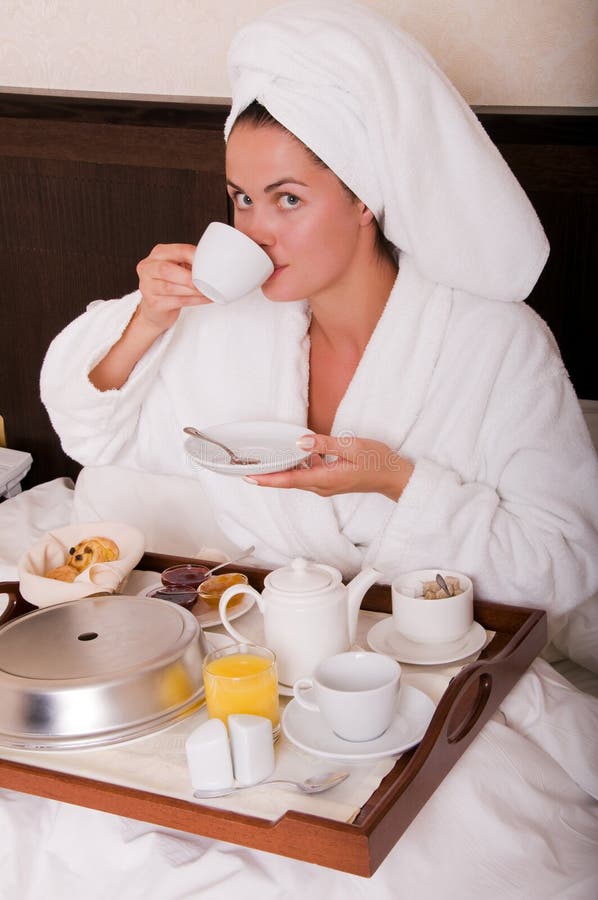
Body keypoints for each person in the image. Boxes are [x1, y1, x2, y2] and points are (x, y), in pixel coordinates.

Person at [19, 1, 598, 896]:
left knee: (448, 862)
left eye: (288, 199)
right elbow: (91, 428)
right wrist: (146, 320)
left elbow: (564, 571)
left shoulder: (495, 343)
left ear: (366, 194)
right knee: (64, 828)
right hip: (259, 657)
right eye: (241, 199)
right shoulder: (231, 328)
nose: (254, 231)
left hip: (427, 676)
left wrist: (400, 482)